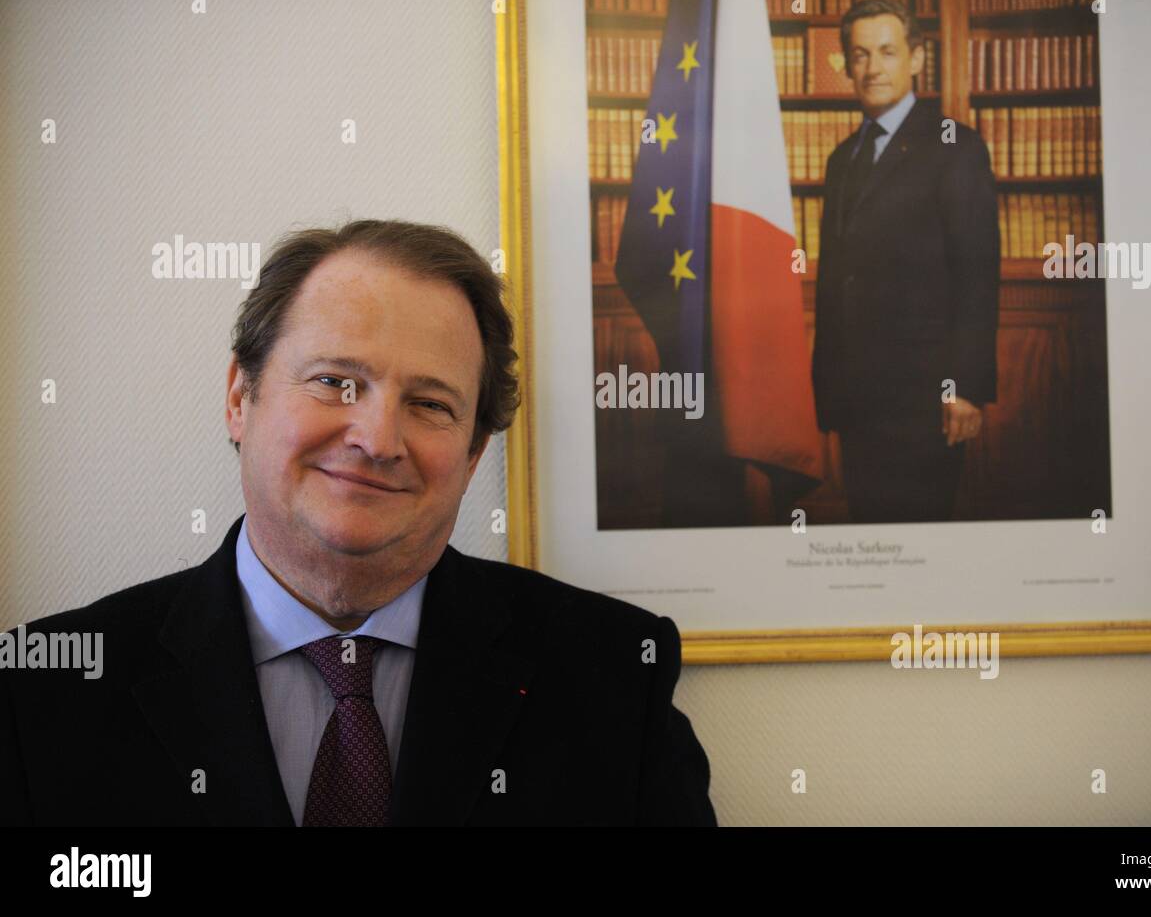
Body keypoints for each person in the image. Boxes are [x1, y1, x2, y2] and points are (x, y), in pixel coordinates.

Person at [0, 219, 716, 826]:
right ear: (239, 397)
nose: (377, 438)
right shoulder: (44, 693)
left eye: (431, 403)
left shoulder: (617, 679)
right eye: (336, 382)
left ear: (473, 455)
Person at [812, 0, 1000, 523]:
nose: (873, 68)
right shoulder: (842, 158)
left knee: (918, 547)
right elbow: (835, 281)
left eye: (888, 52)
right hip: (856, 396)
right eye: (860, 54)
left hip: (926, 399)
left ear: (917, 59)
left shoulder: (955, 148)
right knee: (870, 539)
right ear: (848, 65)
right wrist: (825, 387)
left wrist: (965, 387)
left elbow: (976, 276)